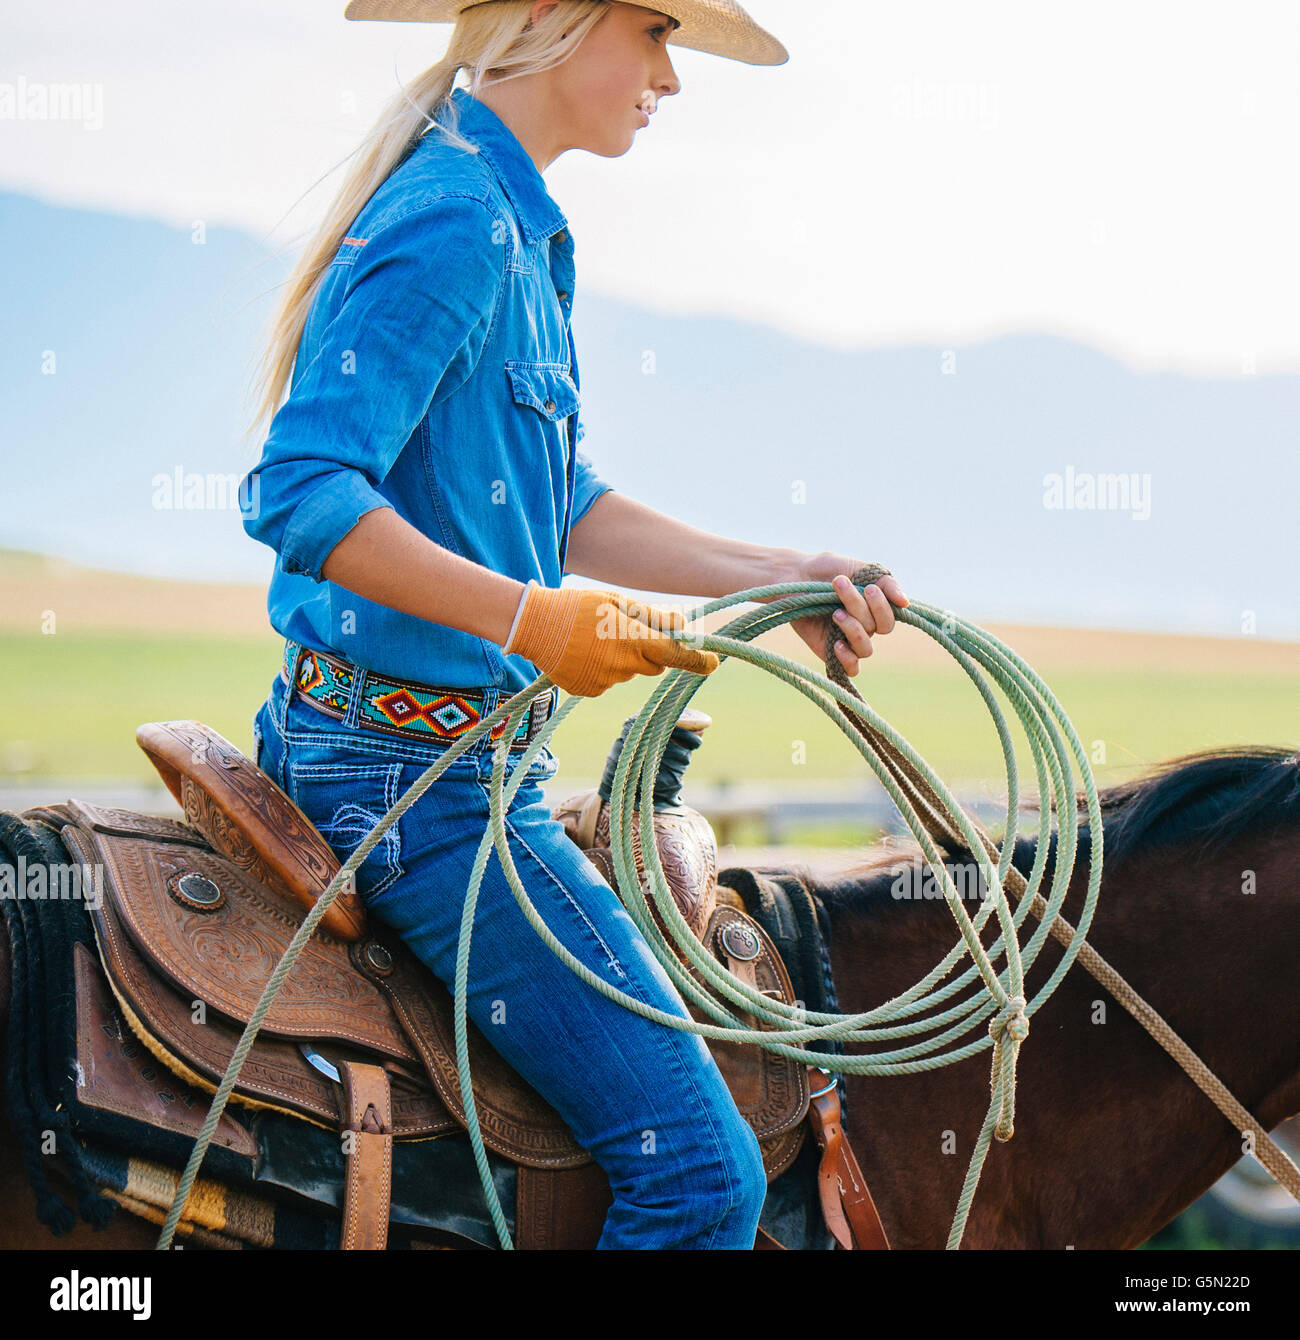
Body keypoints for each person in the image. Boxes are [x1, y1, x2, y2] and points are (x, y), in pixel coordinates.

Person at [240, 0, 908, 1250]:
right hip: (414, 788)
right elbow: (302, 487)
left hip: (464, 768)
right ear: (548, 17)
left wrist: (781, 573)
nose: (670, 76)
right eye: (653, 31)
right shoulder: (455, 223)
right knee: (700, 1182)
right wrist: (534, 623)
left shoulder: (511, 227)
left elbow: (567, 500)